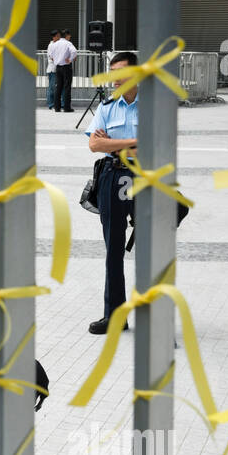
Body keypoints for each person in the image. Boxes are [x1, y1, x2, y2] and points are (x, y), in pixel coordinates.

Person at [82, 51, 139, 334]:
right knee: (113, 250)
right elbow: (94, 145)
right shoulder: (106, 107)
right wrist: (133, 142)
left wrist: (113, 142)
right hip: (112, 176)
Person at [52, 28, 78, 112]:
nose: (70, 37)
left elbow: (51, 54)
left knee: (58, 87)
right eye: (69, 35)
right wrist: (70, 59)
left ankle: (57, 107)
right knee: (67, 87)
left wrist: (57, 59)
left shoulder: (55, 44)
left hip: (58, 67)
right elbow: (74, 51)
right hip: (66, 67)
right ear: (67, 35)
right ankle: (67, 107)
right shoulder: (68, 43)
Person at [44, 30, 59, 109]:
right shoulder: (51, 45)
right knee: (52, 87)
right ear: (54, 37)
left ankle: (54, 103)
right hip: (52, 69)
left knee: (55, 87)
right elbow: (51, 57)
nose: (59, 37)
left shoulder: (56, 44)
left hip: (56, 69)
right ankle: (51, 104)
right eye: (57, 36)